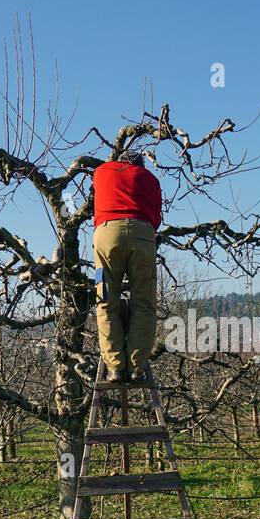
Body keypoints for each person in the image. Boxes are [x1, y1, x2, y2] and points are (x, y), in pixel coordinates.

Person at [91, 150, 162, 383]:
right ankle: (136, 368)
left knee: (106, 301)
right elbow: (156, 218)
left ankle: (114, 368)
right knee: (144, 303)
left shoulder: (101, 172)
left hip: (107, 233)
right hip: (143, 233)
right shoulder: (151, 179)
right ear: (141, 165)